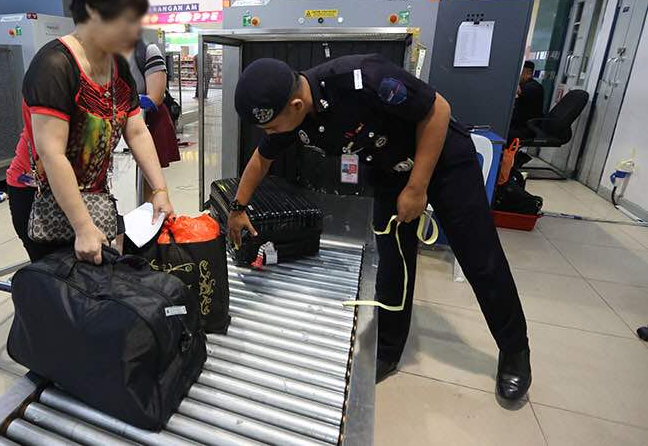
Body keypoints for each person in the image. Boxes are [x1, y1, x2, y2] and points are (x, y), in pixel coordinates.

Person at [227, 56, 532, 401]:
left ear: (296, 105)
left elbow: (438, 111)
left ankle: (515, 351)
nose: (271, 135)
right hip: (389, 170)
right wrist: (238, 209)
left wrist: (417, 187)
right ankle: (388, 350)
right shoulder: (292, 116)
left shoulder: (365, 79)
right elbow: (261, 159)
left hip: (445, 160)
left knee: (480, 257)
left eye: (272, 128)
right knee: (394, 263)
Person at [6, 0, 174, 264]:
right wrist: (83, 227)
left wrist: (159, 189)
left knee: (97, 285)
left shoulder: (117, 66)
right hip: (41, 198)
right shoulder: (54, 67)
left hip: (93, 195)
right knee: (63, 288)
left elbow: (136, 131)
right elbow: (51, 153)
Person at [124, 37, 180, 201]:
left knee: (148, 186)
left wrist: (120, 100)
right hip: (117, 130)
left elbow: (154, 98)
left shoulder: (146, 50)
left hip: (147, 125)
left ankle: (151, 221)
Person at [509, 60, 544, 141]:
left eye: (519, 72)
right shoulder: (524, 84)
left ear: (527, 73)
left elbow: (519, 90)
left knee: (500, 133)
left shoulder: (534, 87)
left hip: (526, 129)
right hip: (517, 125)